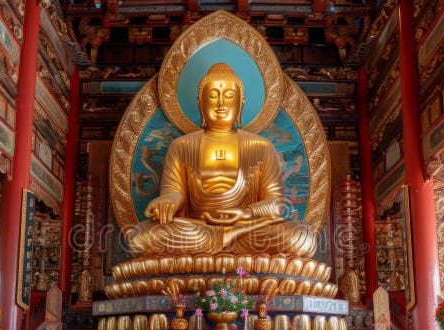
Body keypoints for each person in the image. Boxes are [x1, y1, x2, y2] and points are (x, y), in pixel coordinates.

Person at [125, 63, 316, 256]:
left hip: (246, 231)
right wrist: (168, 201)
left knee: (300, 237)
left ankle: (208, 256)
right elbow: (175, 192)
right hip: (197, 229)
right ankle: (225, 252)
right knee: (140, 238)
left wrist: (247, 213)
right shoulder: (181, 146)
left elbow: (277, 204)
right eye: (213, 95)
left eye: (229, 96)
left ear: (240, 103)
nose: (221, 104)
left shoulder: (261, 147)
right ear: (201, 102)